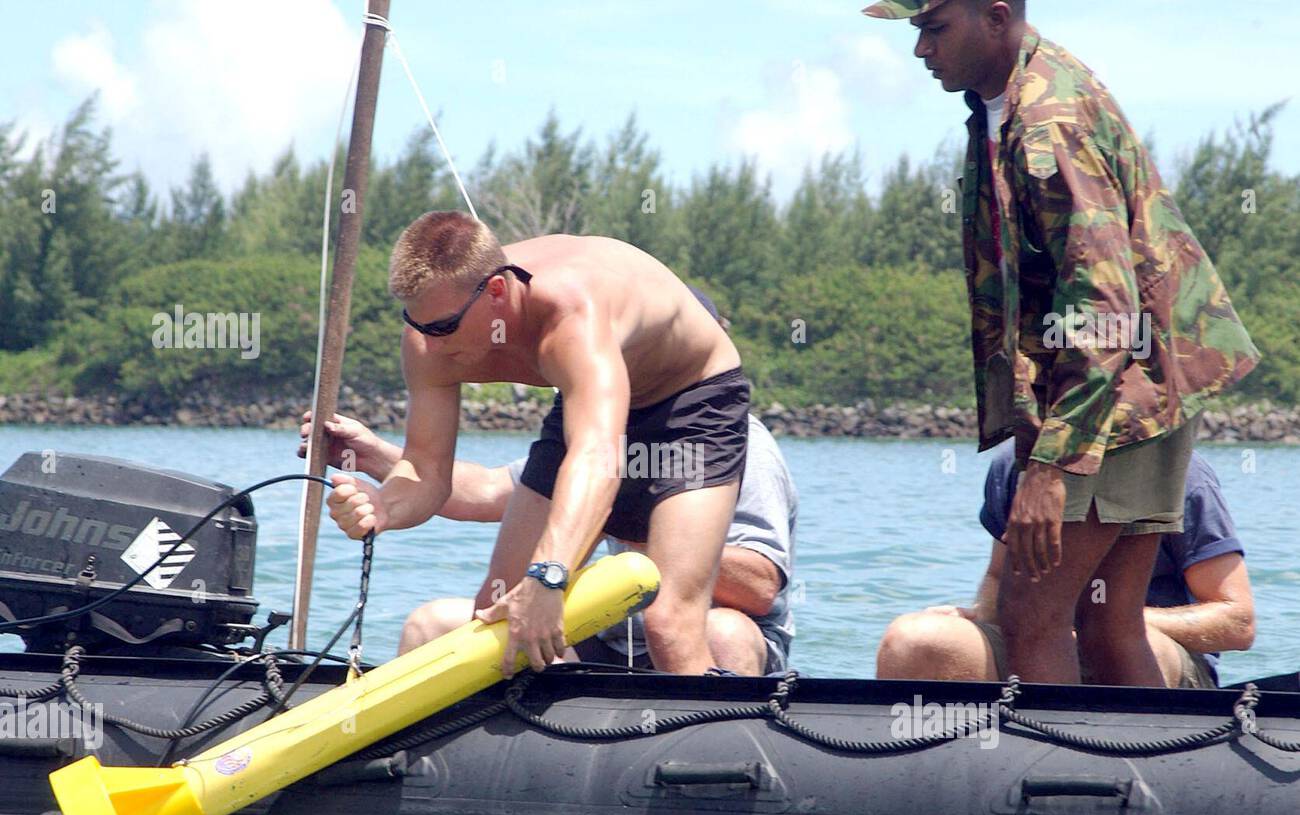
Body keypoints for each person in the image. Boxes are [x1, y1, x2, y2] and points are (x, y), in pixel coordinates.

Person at [863, 1, 1261, 685]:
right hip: (1143, 385)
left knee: (1033, 614)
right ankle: (1137, 782)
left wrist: (1051, 467)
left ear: (995, 17)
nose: (920, 50)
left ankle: (1060, 782)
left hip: (1117, 393)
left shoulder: (1049, 121)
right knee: (1109, 621)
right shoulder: (1010, 100)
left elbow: (1104, 304)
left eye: (933, 28)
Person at [324, 213, 751, 676]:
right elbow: (426, 470)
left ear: (497, 292)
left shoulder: (570, 314)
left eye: (444, 327)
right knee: (498, 610)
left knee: (667, 622)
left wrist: (549, 573)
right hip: (590, 400)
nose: (432, 345)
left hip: (688, 403)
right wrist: (386, 505)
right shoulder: (429, 335)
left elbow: (597, 457)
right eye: (416, 322)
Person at [301, 411, 797, 675]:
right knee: (432, 624)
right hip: (606, 634)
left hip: (717, 632)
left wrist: (626, 525)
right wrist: (376, 457)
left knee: (723, 631)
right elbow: (490, 489)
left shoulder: (743, 448)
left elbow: (759, 588)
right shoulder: (601, 434)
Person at [876, 442, 1255, 688]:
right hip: (1038, 636)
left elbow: (1237, 621)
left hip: (1159, 654)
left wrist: (1112, 621)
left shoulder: (1185, 477)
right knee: (914, 639)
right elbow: (998, 575)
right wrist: (982, 614)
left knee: (1131, 643)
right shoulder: (1016, 466)